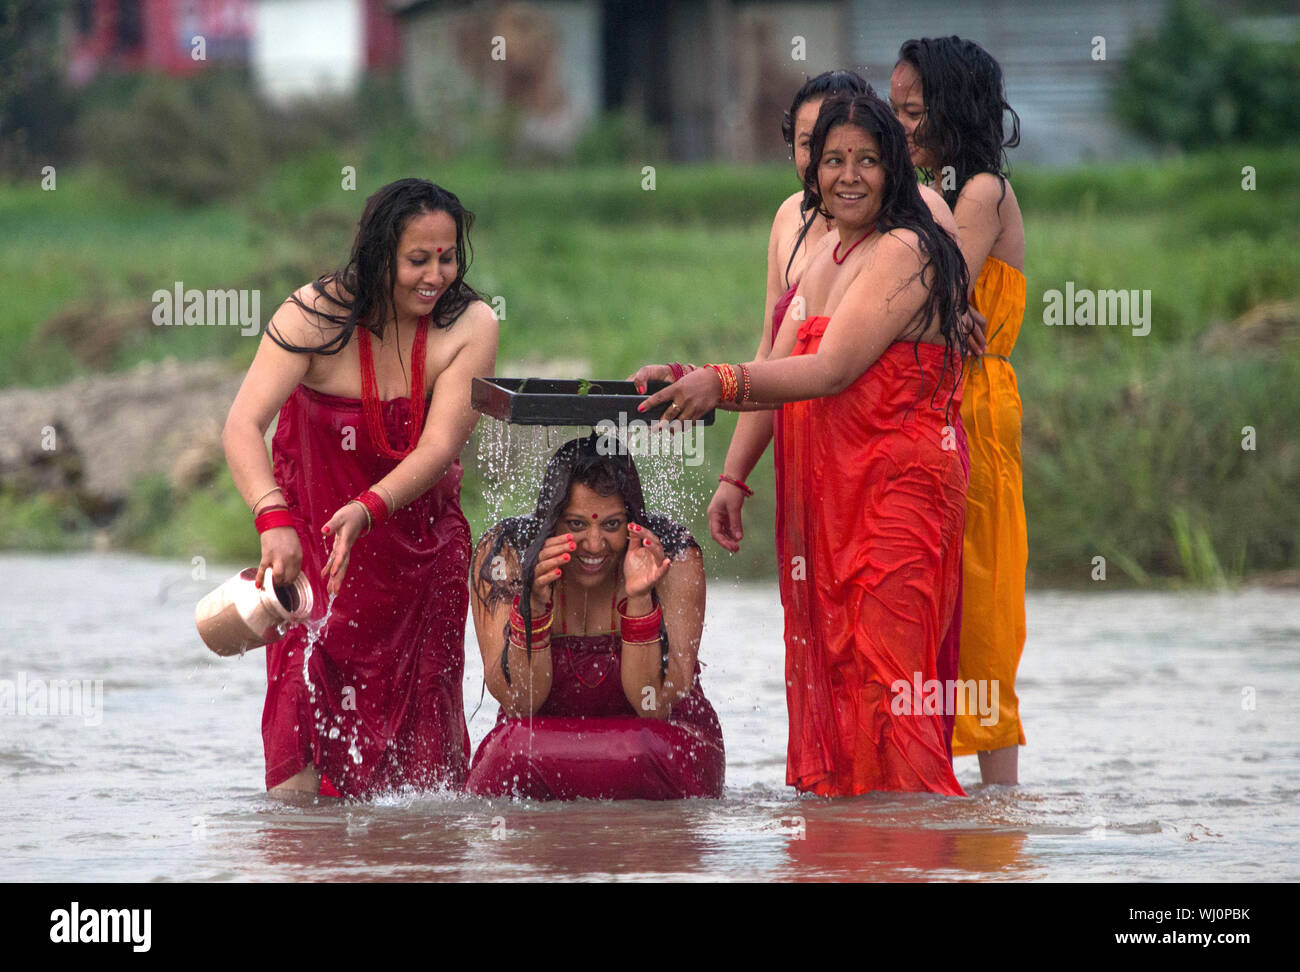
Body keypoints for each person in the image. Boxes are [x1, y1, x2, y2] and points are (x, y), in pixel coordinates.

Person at [637, 90, 971, 797]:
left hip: (896, 491)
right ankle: (847, 854)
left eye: (869, 161)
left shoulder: (909, 249)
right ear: (811, 172)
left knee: (890, 679)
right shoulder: (821, 254)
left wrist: (718, 384)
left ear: (895, 171)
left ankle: (916, 854)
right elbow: (777, 367)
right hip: (824, 497)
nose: (849, 176)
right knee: (835, 671)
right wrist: (684, 382)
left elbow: (832, 368)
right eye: (833, 161)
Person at [221, 178, 499, 798]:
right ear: (379, 255)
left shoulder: (470, 325)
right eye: (417, 260)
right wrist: (272, 518)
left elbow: (438, 447)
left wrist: (368, 508)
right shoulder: (313, 315)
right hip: (313, 558)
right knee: (297, 773)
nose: (436, 276)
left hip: (422, 562)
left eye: (447, 257)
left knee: (422, 795)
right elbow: (242, 425)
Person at [892, 37, 1028, 784]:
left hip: (972, 405)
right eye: (894, 110)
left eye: (913, 112)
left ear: (951, 111)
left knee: (978, 600)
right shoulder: (933, 195)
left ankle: (998, 807)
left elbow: (936, 292)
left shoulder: (978, 195)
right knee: (937, 599)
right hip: (944, 397)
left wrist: (947, 310)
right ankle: (948, 802)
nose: (899, 126)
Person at [464, 434, 725, 800]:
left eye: (612, 526)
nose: (594, 544)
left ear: (633, 521)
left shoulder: (672, 556)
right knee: (509, 754)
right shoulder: (505, 555)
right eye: (575, 524)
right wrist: (534, 606)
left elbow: (652, 707)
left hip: (659, 741)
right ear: (550, 523)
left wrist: (638, 599)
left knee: (648, 748)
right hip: (536, 745)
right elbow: (521, 704)